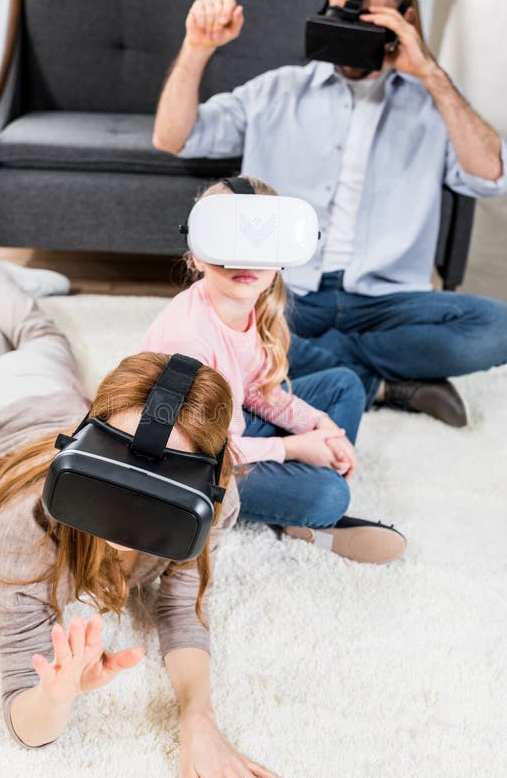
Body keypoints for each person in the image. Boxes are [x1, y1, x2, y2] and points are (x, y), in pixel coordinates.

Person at [0, 243, 293, 778]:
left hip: (49, 397)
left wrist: (198, 717)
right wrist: (57, 694)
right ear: (88, 438)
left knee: (19, 335)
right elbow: (23, 714)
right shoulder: (28, 522)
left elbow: (180, 606)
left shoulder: (208, 507)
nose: (131, 498)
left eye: (162, 477)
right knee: (10, 338)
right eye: (116, 467)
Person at [152, 0, 507, 428]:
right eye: (340, 12)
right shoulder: (276, 91)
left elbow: (491, 175)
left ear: (405, 18)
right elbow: (173, 137)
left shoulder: (432, 105)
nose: (349, 30)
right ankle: (385, 382)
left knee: (495, 329)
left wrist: (430, 72)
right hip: (285, 293)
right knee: (219, 329)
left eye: (367, 18)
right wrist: (197, 48)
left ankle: (328, 365)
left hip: (386, 301)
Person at [142, 176, 405, 563]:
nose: (246, 262)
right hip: (191, 463)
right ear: (196, 255)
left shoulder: (249, 313)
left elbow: (257, 391)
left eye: (260, 246)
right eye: (229, 246)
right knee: (330, 494)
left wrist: (320, 427)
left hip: (230, 425)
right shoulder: (189, 341)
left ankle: (296, 494)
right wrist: (293, 447)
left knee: (345, 386)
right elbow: (203, 451)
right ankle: (304, 508)